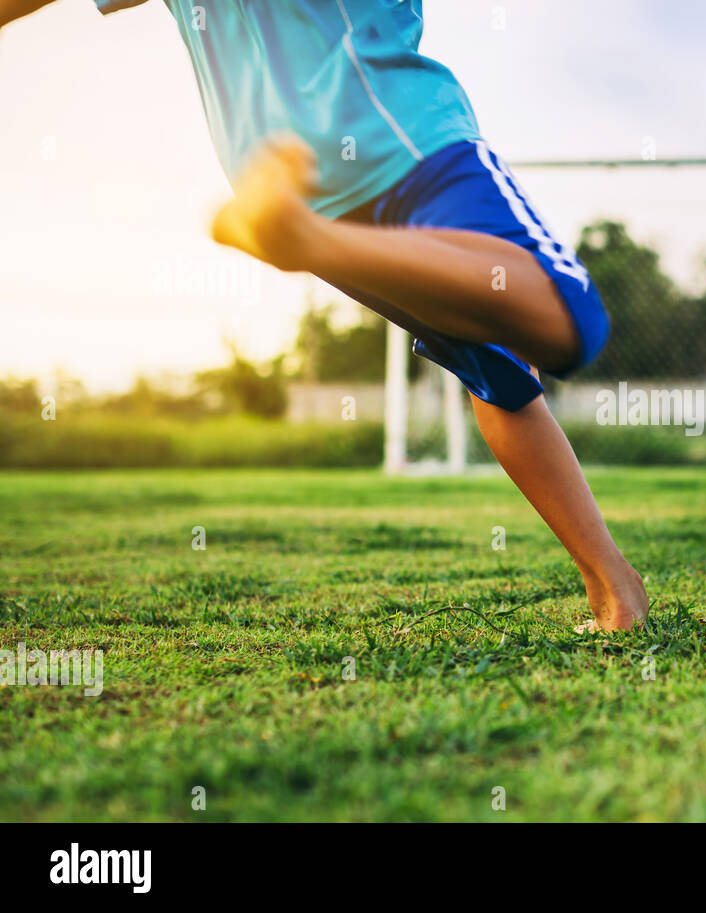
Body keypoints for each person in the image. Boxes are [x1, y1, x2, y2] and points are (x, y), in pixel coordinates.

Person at [0, 0, 648, 631]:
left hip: (281, 179)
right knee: (572, 317)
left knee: (500, 374)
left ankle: (612, 584)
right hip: (400, 142)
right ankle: (307, 242)